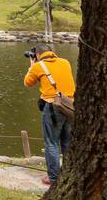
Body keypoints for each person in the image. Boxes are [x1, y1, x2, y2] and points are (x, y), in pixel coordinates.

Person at [24, 43, 75, 186]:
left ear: (38, 55)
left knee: (51, 143)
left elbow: (27, 82)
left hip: (53, 107)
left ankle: (53, 178)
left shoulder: (38, 66)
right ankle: (69, 174)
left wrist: (32, 66)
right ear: (51, 52)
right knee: (67, 142)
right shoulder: (65, 62)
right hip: (70, 105)